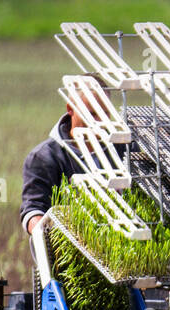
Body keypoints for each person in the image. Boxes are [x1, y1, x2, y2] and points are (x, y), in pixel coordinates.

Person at [20, 80, 125, 233]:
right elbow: (33, 211)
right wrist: (47, 233)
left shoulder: (125, 149)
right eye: (91, 113)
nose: (98, 122)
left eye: (105, 113)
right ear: (70, 109)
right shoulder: (43, 157)